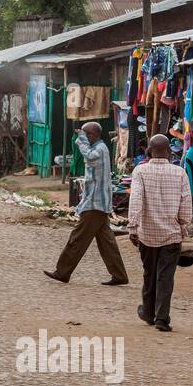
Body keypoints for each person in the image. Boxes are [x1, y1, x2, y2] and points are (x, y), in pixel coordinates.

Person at [44, 122, 129, 287]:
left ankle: (62, 272)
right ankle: (119, 275)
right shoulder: (100, 148)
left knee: (77, 239)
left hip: (95, 204)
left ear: (92, 135)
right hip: (98, 203)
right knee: (107, 243)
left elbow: (89, 157)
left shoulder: (100, 149)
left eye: (85, 134)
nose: (82, 137)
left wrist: (80, 139)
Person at [127, 134, 190, 332]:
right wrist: (183, 224)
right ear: (169, 152)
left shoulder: (141, 171)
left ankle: (148, 312)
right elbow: (186, 202)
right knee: (166, 277)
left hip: (147, 233)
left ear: (148, 151)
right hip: (171, 235)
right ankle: (162, 318)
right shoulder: (179, 172)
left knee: (149, 273)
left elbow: (135, 199)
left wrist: (133, 227)